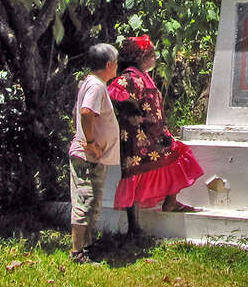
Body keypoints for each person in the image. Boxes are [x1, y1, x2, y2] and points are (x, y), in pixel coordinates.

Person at [109, 35, 203, 234]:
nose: (155, 58)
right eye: (152, 54)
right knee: (135, 174)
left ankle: (170, 202)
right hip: (138, 137)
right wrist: (134, 113)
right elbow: (114, 92)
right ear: (142, 57)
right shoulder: (130, 77)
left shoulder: (143, 75)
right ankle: (134, 227)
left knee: (177, 156)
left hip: (155, 134)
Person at [67, 43, 120, 264]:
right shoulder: (96, 86)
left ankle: (87, 247)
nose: (117, 68)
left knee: (93, 201)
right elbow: (86, 112)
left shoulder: (92, 84)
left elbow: (78, 114)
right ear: (109, 65)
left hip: (93, 156)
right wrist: (89, 142)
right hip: (87, 155)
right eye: (116, 64)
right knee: (85, 201)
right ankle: (77, 251)